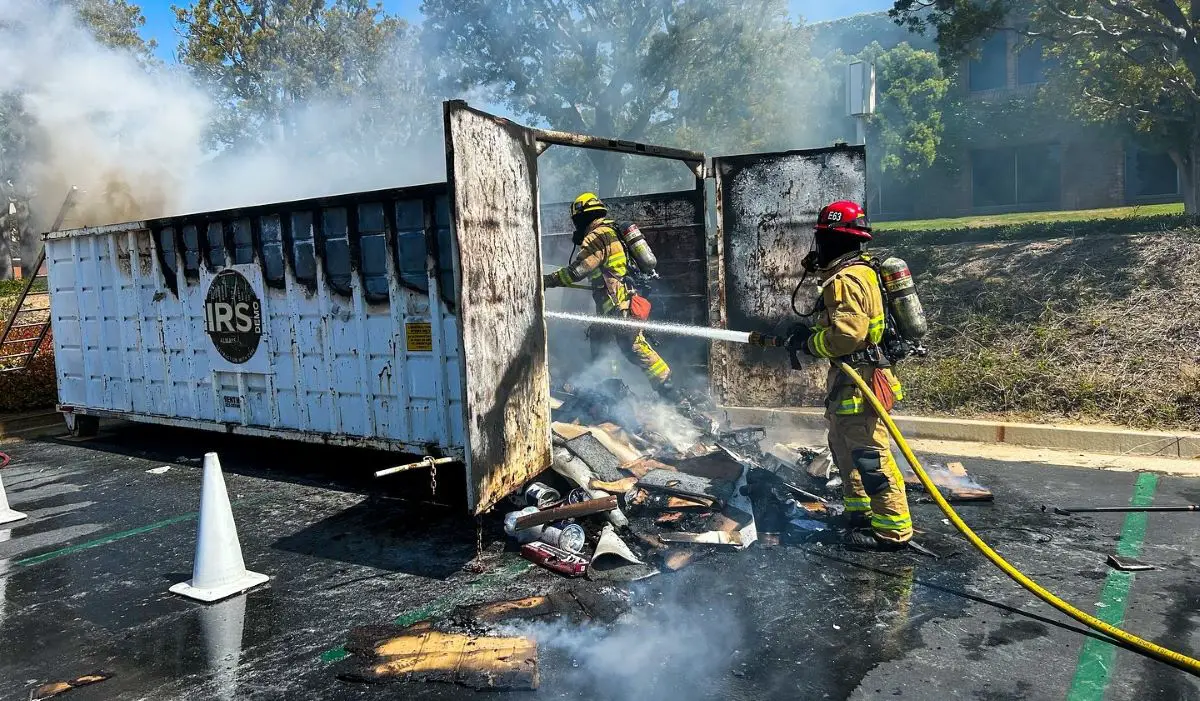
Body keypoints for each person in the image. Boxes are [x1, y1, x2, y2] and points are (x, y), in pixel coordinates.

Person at [787, 200, 912, 551]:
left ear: (833, 239)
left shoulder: (845, 279)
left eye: (822, 238)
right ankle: (859, 515)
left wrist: (811, 344)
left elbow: (848, 336)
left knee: (871, 457)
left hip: (862, 382)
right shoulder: (858, 272)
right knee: (845, 450)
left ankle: (892, 531)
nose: (818, 246)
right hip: (851, 381)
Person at [543, 192, 679, 399]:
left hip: (617, 304)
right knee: (600, 339)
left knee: (634, 347)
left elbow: (579, 270)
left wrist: (547, 280)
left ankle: (671, 392)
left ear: (582, 218)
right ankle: (605, 387)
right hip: (618, 303)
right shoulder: (612, 232)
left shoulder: (597, 236)